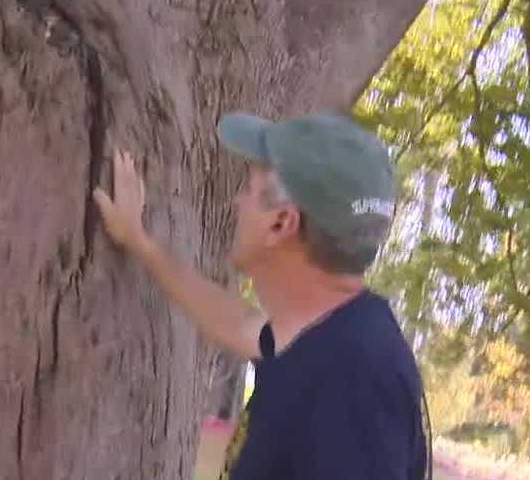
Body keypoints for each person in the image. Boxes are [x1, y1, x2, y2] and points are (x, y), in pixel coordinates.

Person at [93, 111, 429, 480]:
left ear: (281, 223)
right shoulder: (327, 334)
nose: (238, 202)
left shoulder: (356, 382)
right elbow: (238, 323)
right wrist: (140, 243)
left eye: (249, 190)